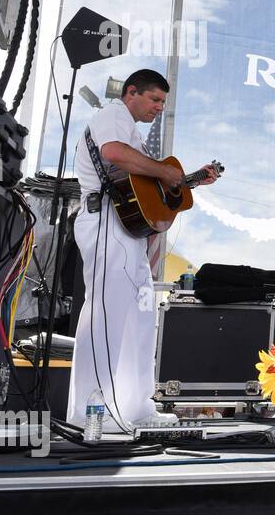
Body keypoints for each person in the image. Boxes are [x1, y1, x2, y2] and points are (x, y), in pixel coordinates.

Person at [68, 68, 218, 432]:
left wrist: (187, 178)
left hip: (126, 230)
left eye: (163, 103)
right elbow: (114, 153)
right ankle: (93, 412)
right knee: (107, 316)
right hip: (104, 220)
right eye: (154, 99)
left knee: (138, 318)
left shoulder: (132, 130)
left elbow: (146, 185)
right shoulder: (113, 114)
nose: (158, 108)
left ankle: (136, 406)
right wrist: (166, 174)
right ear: (131, 92)